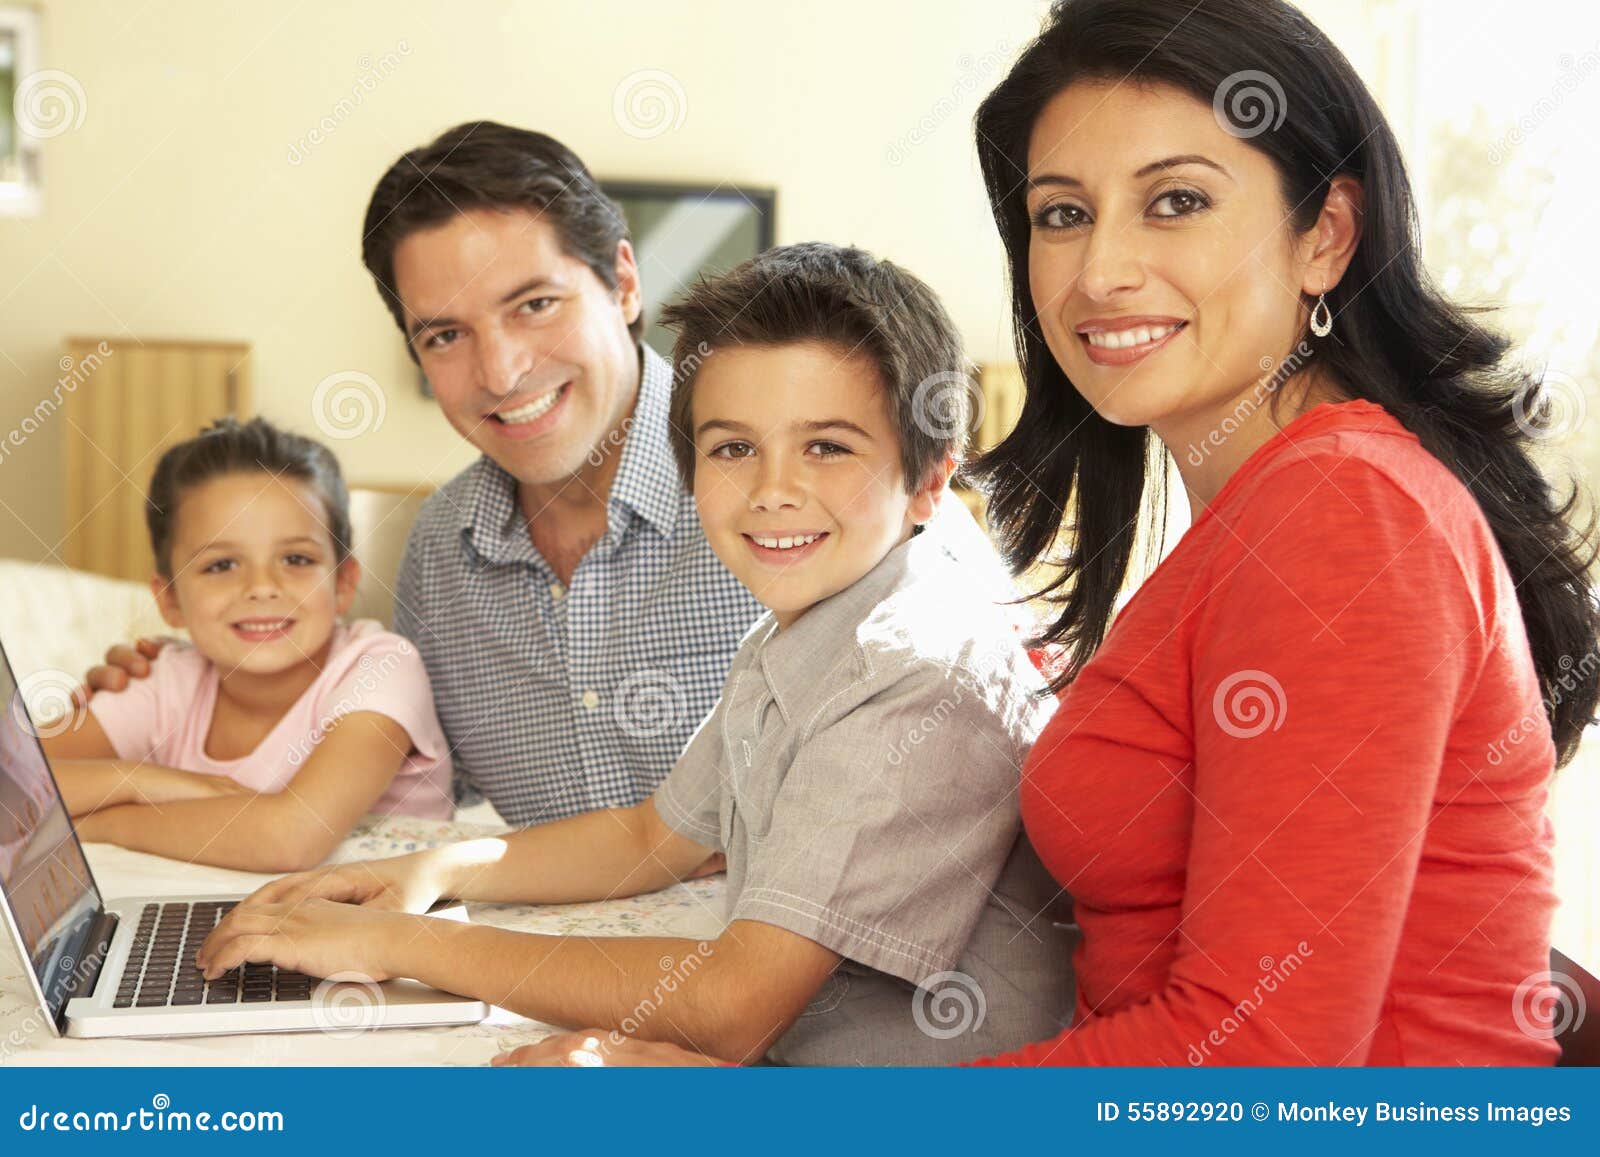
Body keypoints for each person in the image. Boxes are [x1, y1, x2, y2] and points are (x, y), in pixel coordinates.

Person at [497, 0, 1600, 1068]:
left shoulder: (1346, 515)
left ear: (1325, 236)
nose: (1100, 270)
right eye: (1061, 213)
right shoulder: (1265, 509)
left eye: (1174, 201)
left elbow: (1256, 1072)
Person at [196, 243, 1077, 1066]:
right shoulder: (807, 623)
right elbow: (653, 835)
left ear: (929, 478)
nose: (773, 491)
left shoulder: (913, 668)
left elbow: (737, 999)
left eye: (827, 447)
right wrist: (422, 873)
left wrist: (399, 944)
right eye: (733, 448)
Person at [79, 122, 765, 827]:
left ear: (622, 284)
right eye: (445, 334)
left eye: (535, 304)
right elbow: (406, 776)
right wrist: (184, 685)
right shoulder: (441, 551)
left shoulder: (774, 488)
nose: (501, 371)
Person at [41, 418, 453, 872]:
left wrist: (96, 825)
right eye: (221, 565)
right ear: (171, 599)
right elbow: (12, 788)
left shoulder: (380, 669)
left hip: (387, 931)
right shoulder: (165, 679)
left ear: (343, 582)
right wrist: (135, 779)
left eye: (296, 559)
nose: (261, 587)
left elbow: (290, 838)